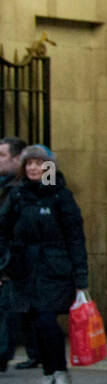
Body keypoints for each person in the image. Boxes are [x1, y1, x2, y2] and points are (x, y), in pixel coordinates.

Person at [0, 145, 90, 384]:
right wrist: (5, 260)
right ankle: (48, 375)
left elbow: (75, 238)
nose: (32, 168)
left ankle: (60, 373)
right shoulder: (16, 196)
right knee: (34, 325)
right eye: (28, 163)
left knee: (47, 321)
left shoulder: (61, 197)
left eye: (38, 163)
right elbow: (3, 230)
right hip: (23, 272)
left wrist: (81, 277)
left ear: (48, 166)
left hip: (54, 270)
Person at [0, 136, 38, 371]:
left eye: (3, 155)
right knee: (21, 308)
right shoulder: (6, 185)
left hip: (19, 256)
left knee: (11, 306)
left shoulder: (24, 189)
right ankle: (35, 353)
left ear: (18, 159)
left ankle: (3, 354)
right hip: (11, 254)